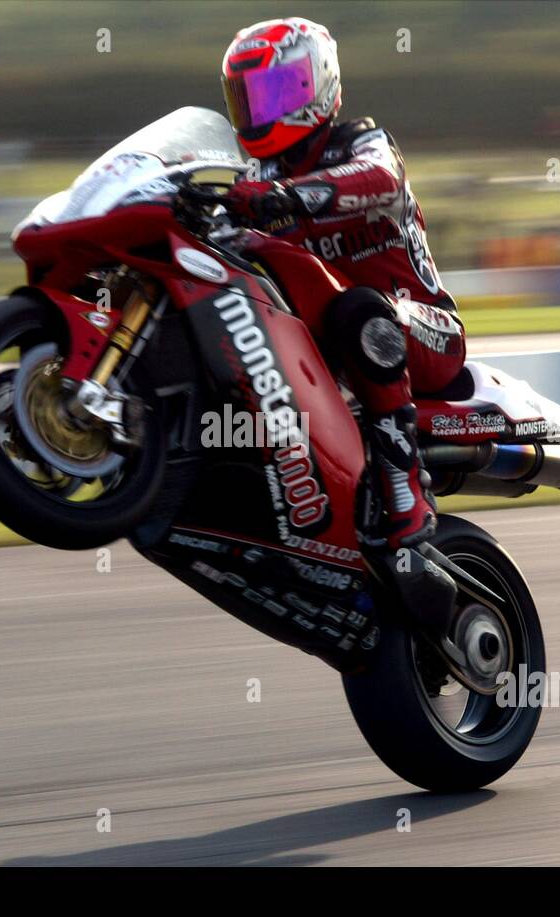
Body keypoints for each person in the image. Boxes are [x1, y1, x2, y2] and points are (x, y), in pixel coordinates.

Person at [219, 16, 463, 634]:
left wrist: (289, 199)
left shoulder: (361, 143)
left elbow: (383, 181)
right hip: (329, 346)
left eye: (275, 93)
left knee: (360, 309)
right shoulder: (258, 179)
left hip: (423, 327)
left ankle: (408, 495)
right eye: (248, 97)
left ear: (318, 86)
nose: (258, 111)